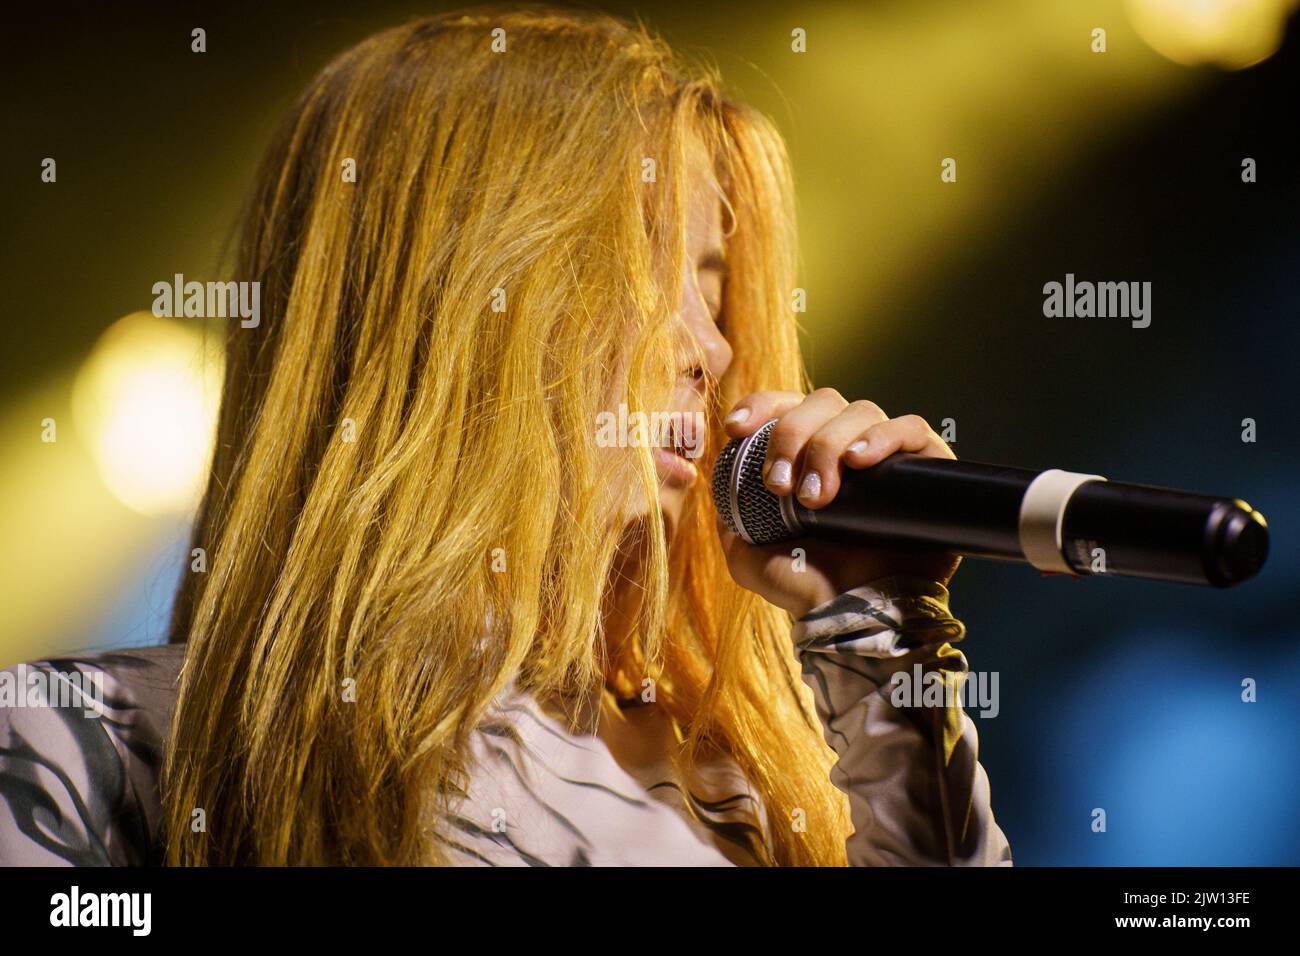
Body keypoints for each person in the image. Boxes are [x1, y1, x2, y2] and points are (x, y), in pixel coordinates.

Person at [0, 7, 1010, 867]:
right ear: (441, 302)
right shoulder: (79, 751)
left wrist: (881, 637)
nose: (710, 348)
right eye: (635, 267)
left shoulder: (739, 803)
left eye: (713, 289)